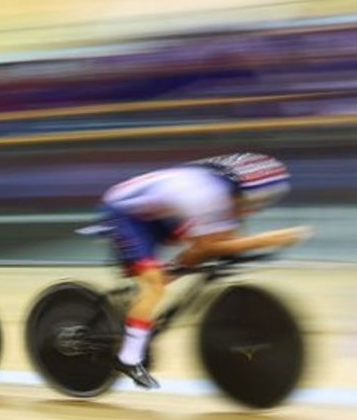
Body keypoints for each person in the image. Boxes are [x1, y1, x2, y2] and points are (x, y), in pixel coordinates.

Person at [99, 152, 311, 389]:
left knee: (181, 265)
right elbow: (207, 246)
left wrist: (179, 268)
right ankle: (128, 359)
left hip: (160, 213)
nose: (254, 209)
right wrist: (268, 240)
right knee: (155, 287)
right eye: (254, 201)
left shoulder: (227, 195)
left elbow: (213, 246)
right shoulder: (205, 195)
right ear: (238, 191)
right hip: (128, 213)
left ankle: (138, 317)